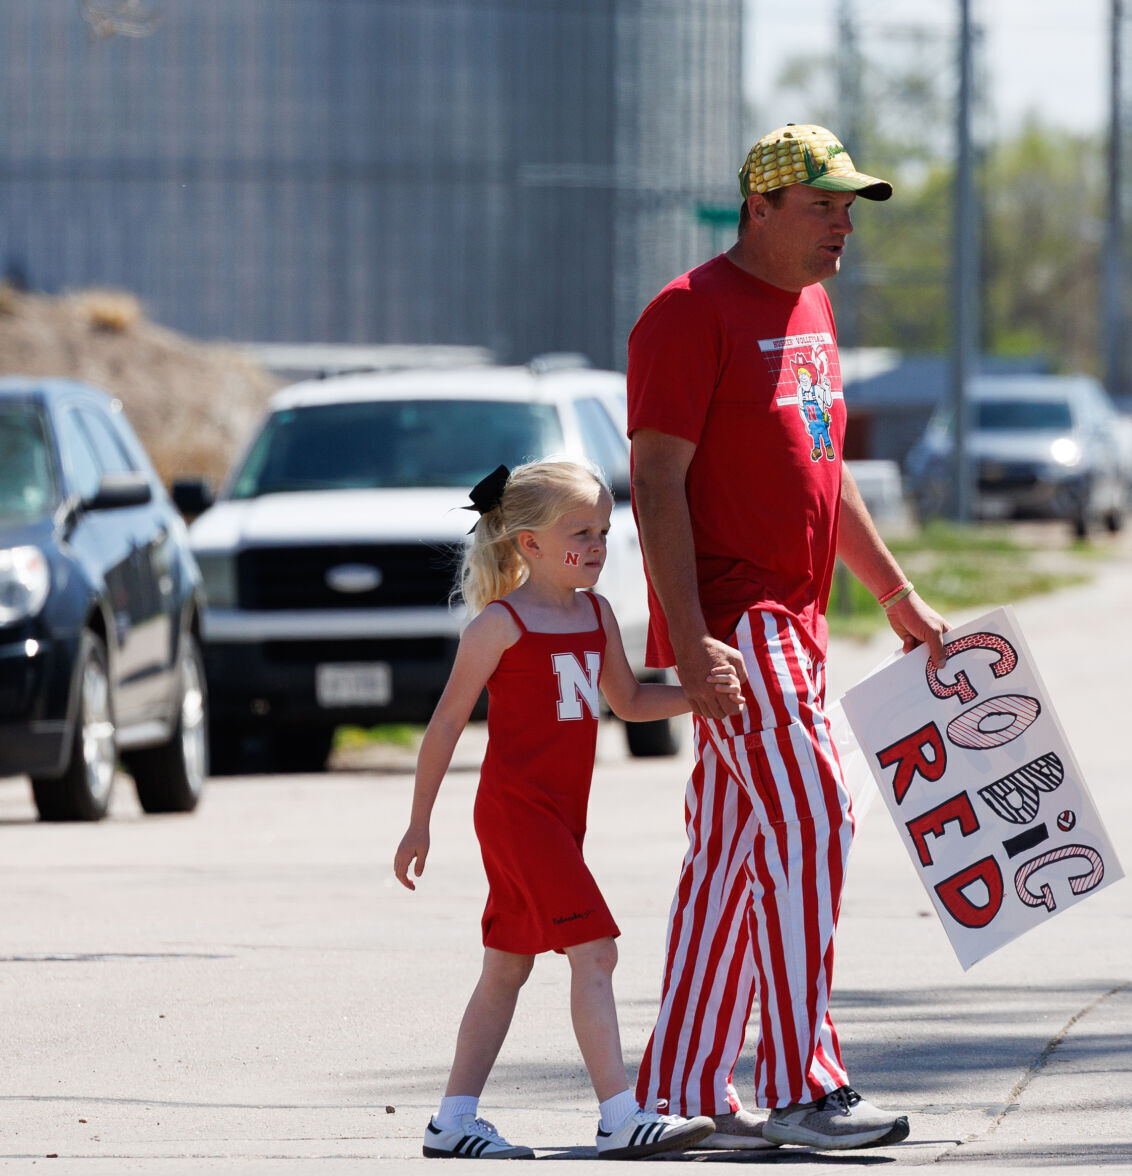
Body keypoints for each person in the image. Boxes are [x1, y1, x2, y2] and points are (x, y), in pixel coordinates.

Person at [626, 124, 951, 1151]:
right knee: (814, 816)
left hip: (800, 624)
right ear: (756, 209)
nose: (842, 226)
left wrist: (892, 594)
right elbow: (653, 484)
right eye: (822, 206)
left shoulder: (810, 307)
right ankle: (803, 1087)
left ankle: (679, 1091)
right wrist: (687, 641)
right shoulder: (684, 315)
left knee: (733, 852)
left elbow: (825, 467)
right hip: (735, 624)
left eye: (848, 207)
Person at [393, 458, 738, 1161]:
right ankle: (620, 1115)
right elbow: (444, 727)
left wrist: (704, 694)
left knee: (506, 969)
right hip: (516, 815)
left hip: (560, 818)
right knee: (596, 951)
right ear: (529, 544)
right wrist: (418, 823)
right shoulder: (499, 625)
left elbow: (632, 703)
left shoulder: (597, 614)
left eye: (605, 530)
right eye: (581, 530)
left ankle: (452, 1121)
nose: (599, 544)